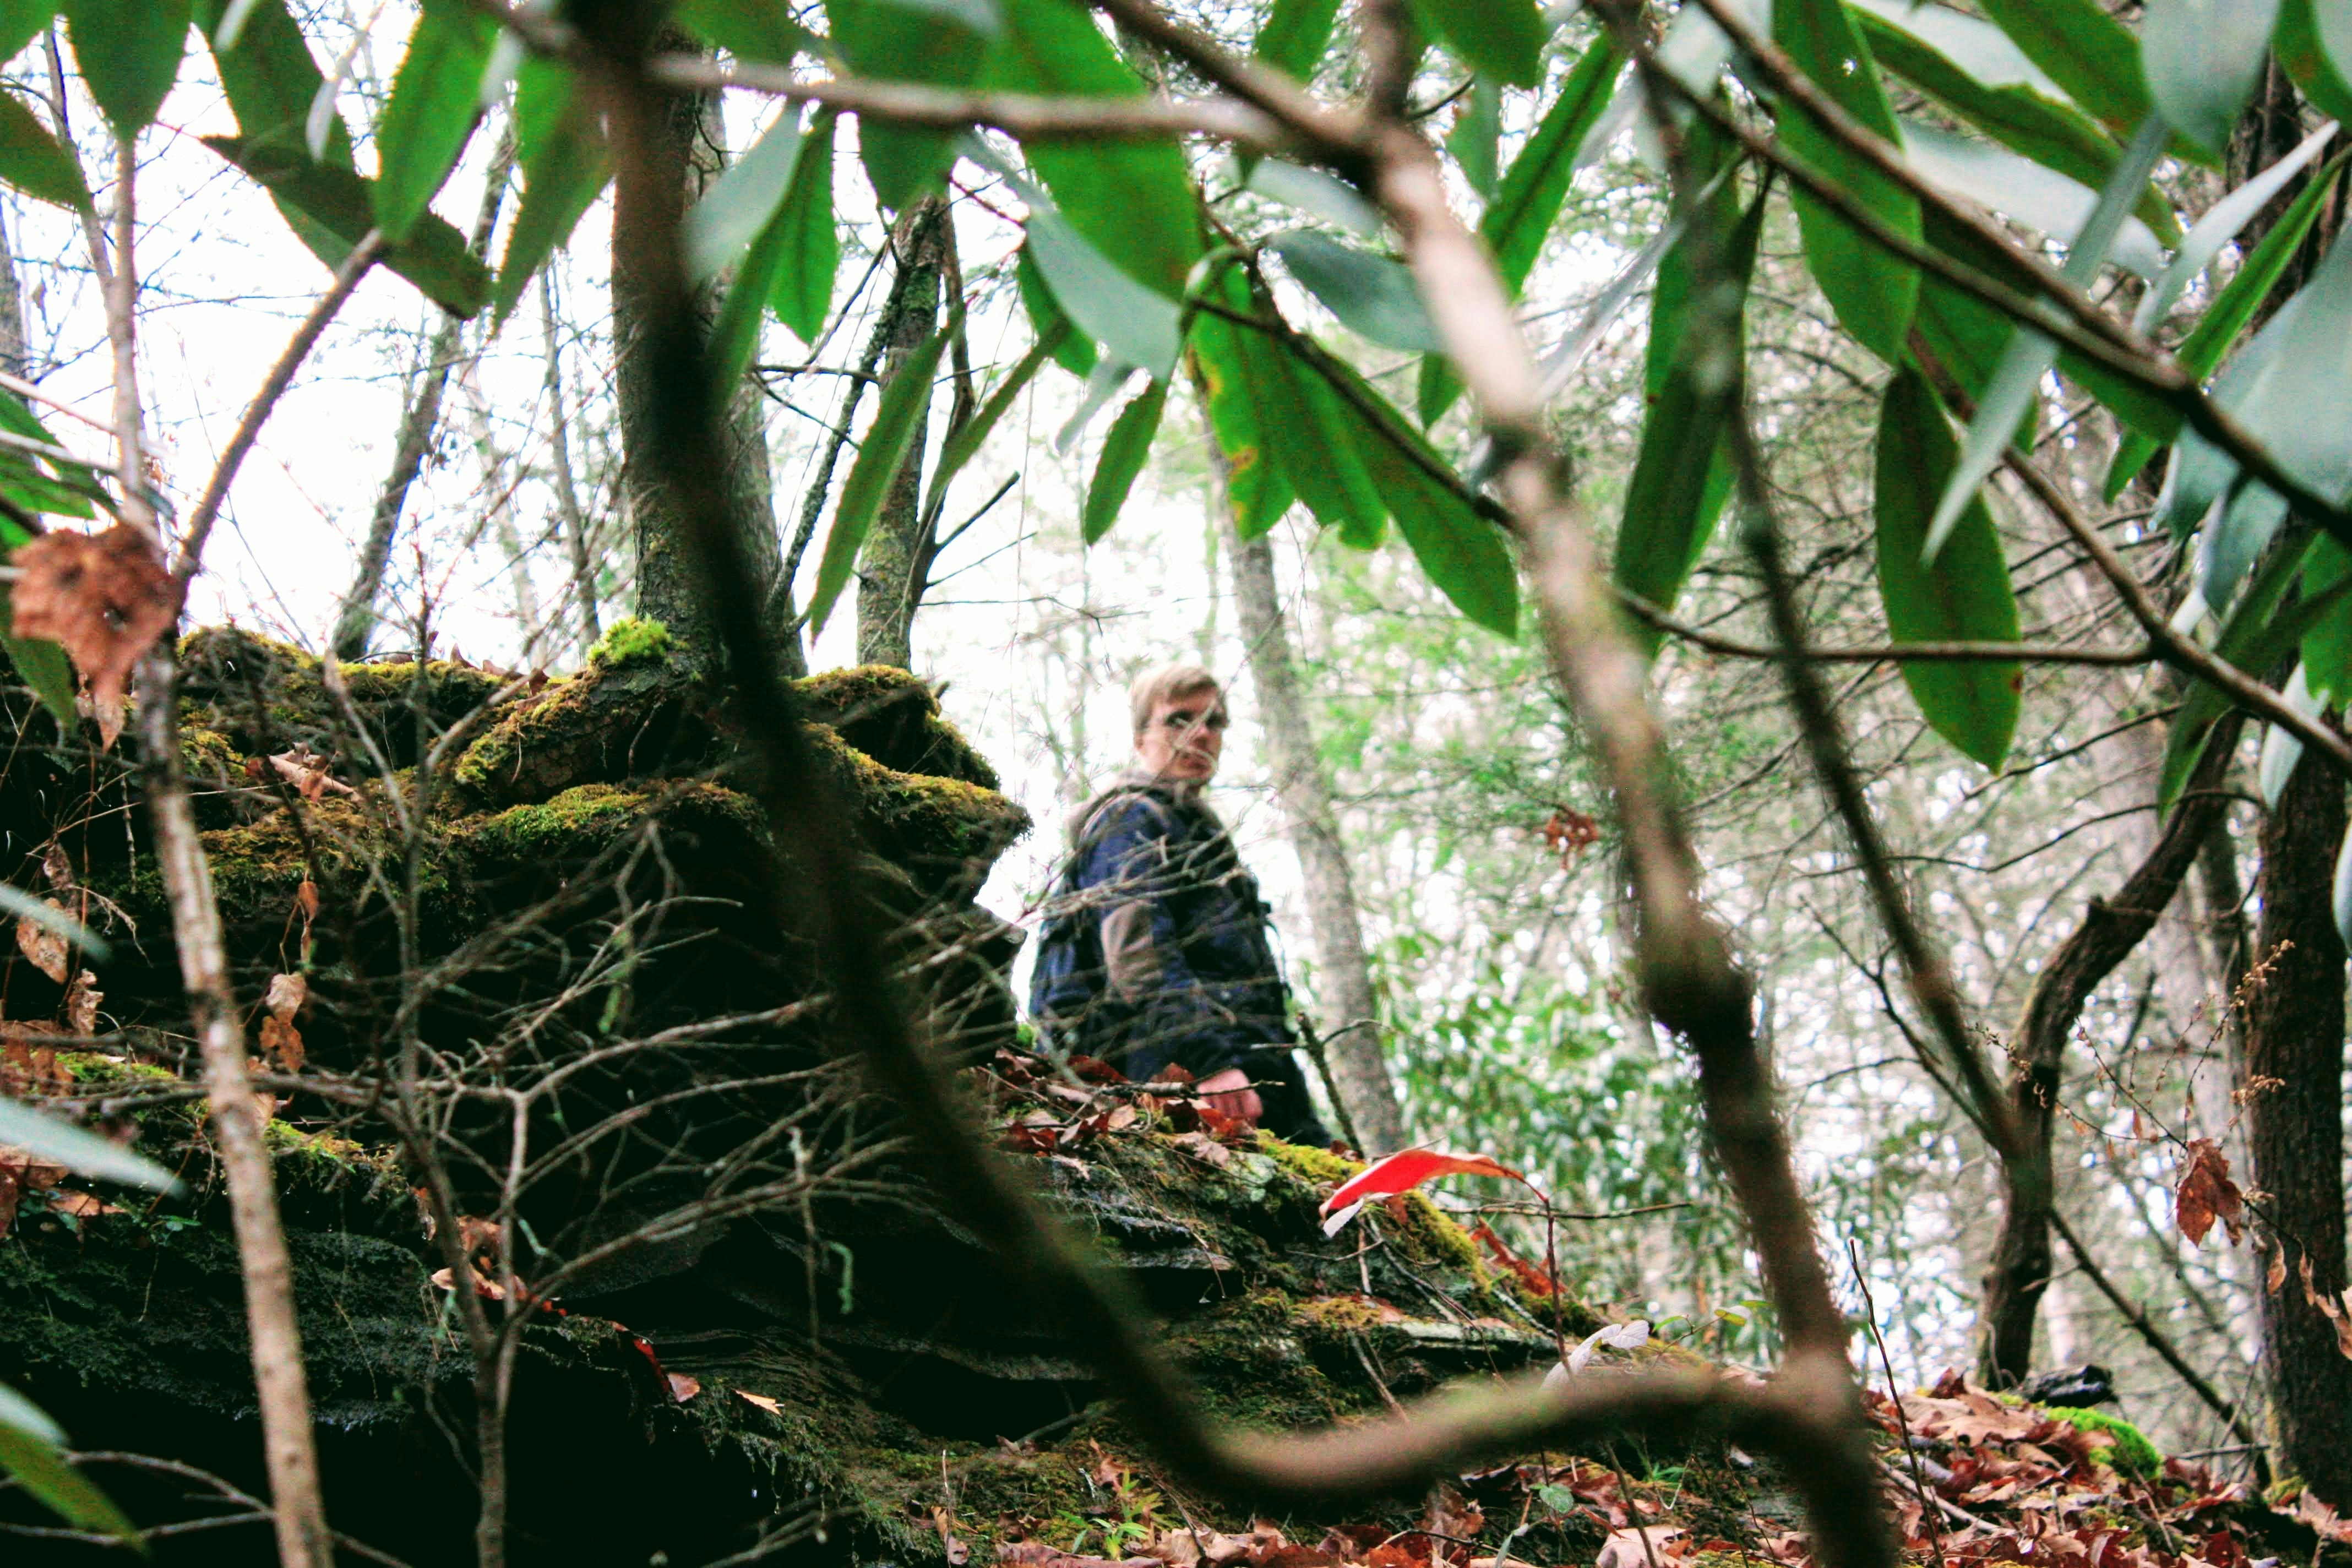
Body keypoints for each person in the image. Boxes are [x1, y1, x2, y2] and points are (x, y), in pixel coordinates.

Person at [1028, 663, 1333, 1145]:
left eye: (1215, 722)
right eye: (1179, 719)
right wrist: (1206, 1061)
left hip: (1244, 1062)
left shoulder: (1196, 830)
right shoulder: (1129, 819)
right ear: (1140, 736)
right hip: (1165, 1068)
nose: (1202, 734)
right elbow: (1138, 961)